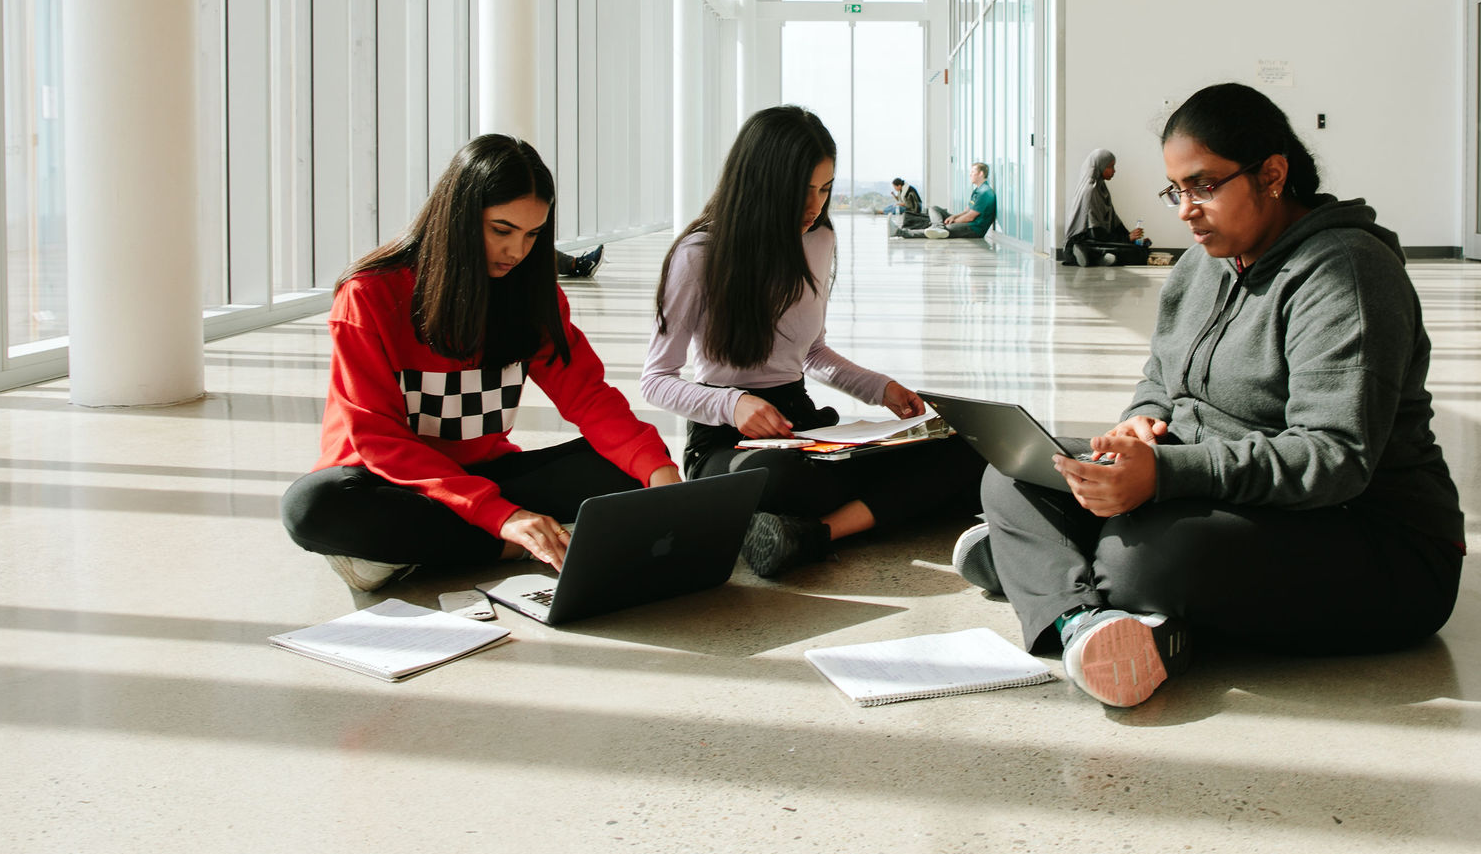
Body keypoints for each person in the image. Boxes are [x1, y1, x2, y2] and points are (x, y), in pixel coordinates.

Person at [954, 84, 1464, 708]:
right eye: (1177, 191)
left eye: (1204, 187)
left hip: (1369, 541)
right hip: (1230, 499)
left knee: (1144, 559)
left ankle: (1049, 572)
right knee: (1014, 473)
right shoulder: (1203, 262)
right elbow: (1160, 378)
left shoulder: (1346, 274)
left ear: (1273, 174)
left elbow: (1334, 459)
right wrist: (1142, 423)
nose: (1185, 211)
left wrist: (1166, 474)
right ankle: (1081, 618)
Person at [281, 135, 680, 593]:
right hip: (386, 483)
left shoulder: (532, 297)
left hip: (479, 477)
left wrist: (658, 473)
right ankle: (507, 545)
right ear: (458, 217)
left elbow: (587, 397)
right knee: (311, 507)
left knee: (625, 464)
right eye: (502, 230)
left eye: (533, 235)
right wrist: (504, 517)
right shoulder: (369, 295)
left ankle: (417, 551)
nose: (517, 252)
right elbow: (376, 438)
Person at [643, 106, 984, 578]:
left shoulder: (818, 239)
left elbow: (811, 352)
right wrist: (735, 404)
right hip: (726, 439)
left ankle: (813, 534)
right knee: (775, 479)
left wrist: (879, 388)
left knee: (964, 449)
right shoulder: (698, 254)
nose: (814, 207)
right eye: (801, 191)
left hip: (801, 428)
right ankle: (836, 515)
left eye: (824, 190)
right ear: (761, 183)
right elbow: (656, 380)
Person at [1061, 149, 1146, 266]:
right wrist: (1126, 239)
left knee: (1140, 250)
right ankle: (1087, 254)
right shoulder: (1090, 191)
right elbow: (1095, 233)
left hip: (1098, 240)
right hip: (1082, 242)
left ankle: (1098, 258)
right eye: (1110, 166)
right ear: (1099, 167)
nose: (1114, 171)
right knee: (1138, 254)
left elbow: (1114, 221)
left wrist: (1132, 239)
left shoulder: (1101, 188)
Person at [900, 162, 996, 239]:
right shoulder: (978, 190)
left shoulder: (985, 193)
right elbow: (966, 211)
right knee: (934, 209)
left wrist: (954, 221)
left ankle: (901, 232)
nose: (970, 174)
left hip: (974, 228)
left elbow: (970, 217)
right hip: (967, 222)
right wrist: (954, 217)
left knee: (944, 230)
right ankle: (938, 227)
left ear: (981, 173)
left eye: (972, 172)